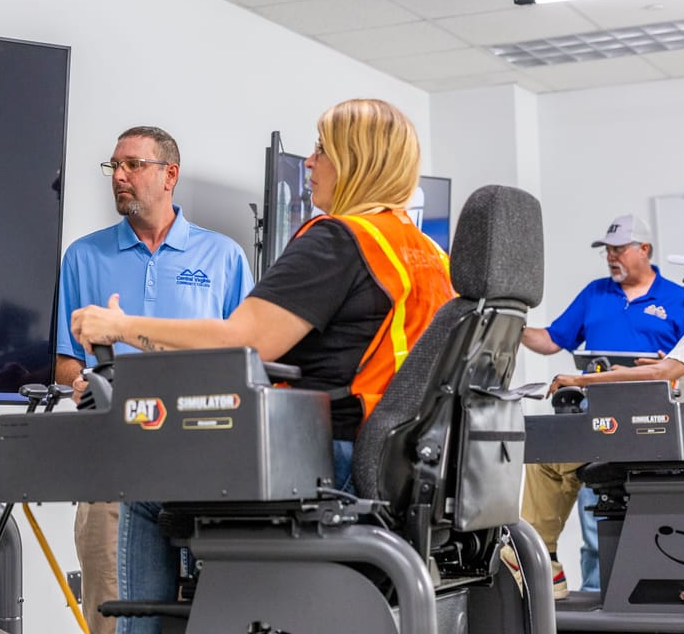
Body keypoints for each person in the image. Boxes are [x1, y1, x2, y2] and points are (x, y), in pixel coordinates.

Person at [72, 98, 455, 634]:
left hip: (326, 463)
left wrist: (120, 328)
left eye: (322, 150)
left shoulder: (338, 239)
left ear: (354, 160)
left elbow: (245, 341)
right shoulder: (428, 255)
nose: (311, 163)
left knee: (143, 483)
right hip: (398, 469)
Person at [55, 126, 254, 634]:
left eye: (133, 165)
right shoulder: (83, 255)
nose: (119, 176)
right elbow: (62, 358)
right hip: (109, 465)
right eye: (113, 167)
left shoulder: (224, 257)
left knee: (213, 617)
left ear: (170, 175)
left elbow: (247, 361)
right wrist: (83, 381)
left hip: (205, 467)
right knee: (115, 616)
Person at [520, 236, 684, 599]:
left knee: (549, 454)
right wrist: (664, 364)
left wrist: (581, 378)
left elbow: (660, 377)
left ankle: (541, 565)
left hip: (670, 443)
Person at [518, 212, 684, 596]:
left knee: (615, 517)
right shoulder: (596, 293)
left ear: (644, 250)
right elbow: (552, 340)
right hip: (597, 417)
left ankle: (619, 596)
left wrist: (665, 365)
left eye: (618, 249)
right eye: (607, 251)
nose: (611, 257)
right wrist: (511, 327)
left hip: (652, 420)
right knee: (584, 510)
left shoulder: (678, 298)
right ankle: (583, 588)